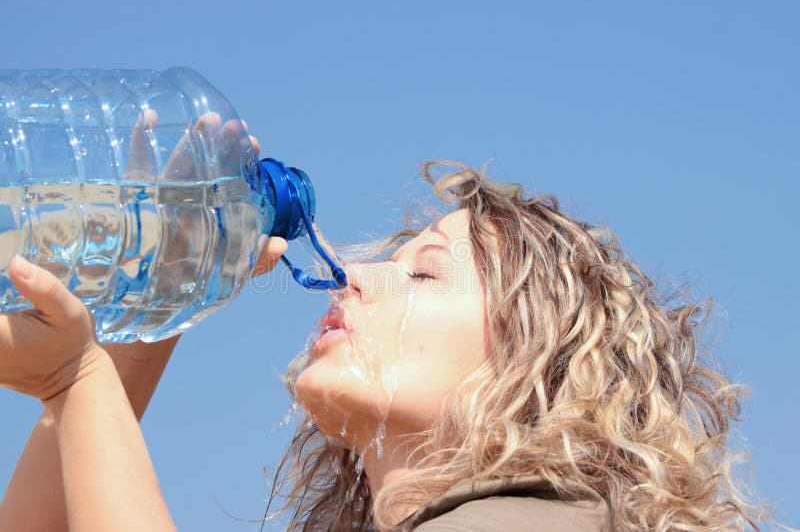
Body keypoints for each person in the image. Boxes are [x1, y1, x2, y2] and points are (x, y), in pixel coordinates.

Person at [0, 161, 764, 531]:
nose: (354, 279)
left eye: (427, 273)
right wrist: (152, 309)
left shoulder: (537, 523)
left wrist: (77, 377)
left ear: (539, 366)